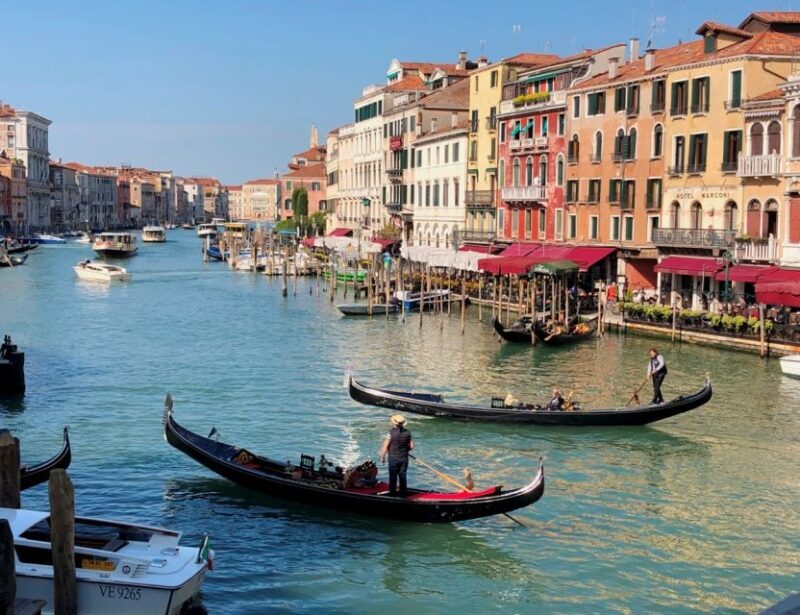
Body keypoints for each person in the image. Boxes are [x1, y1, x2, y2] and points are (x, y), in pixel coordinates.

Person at [379, 414, 414, 497]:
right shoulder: (407, 432)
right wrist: (406, 450)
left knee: (393, 477)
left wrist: (382, 457)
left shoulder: (390, 433)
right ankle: (403, 494)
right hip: (404, 458)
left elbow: (385, 446)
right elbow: (411, 446)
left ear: (394, 423)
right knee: (403, 476)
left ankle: (392, 494)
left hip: (393, 458)